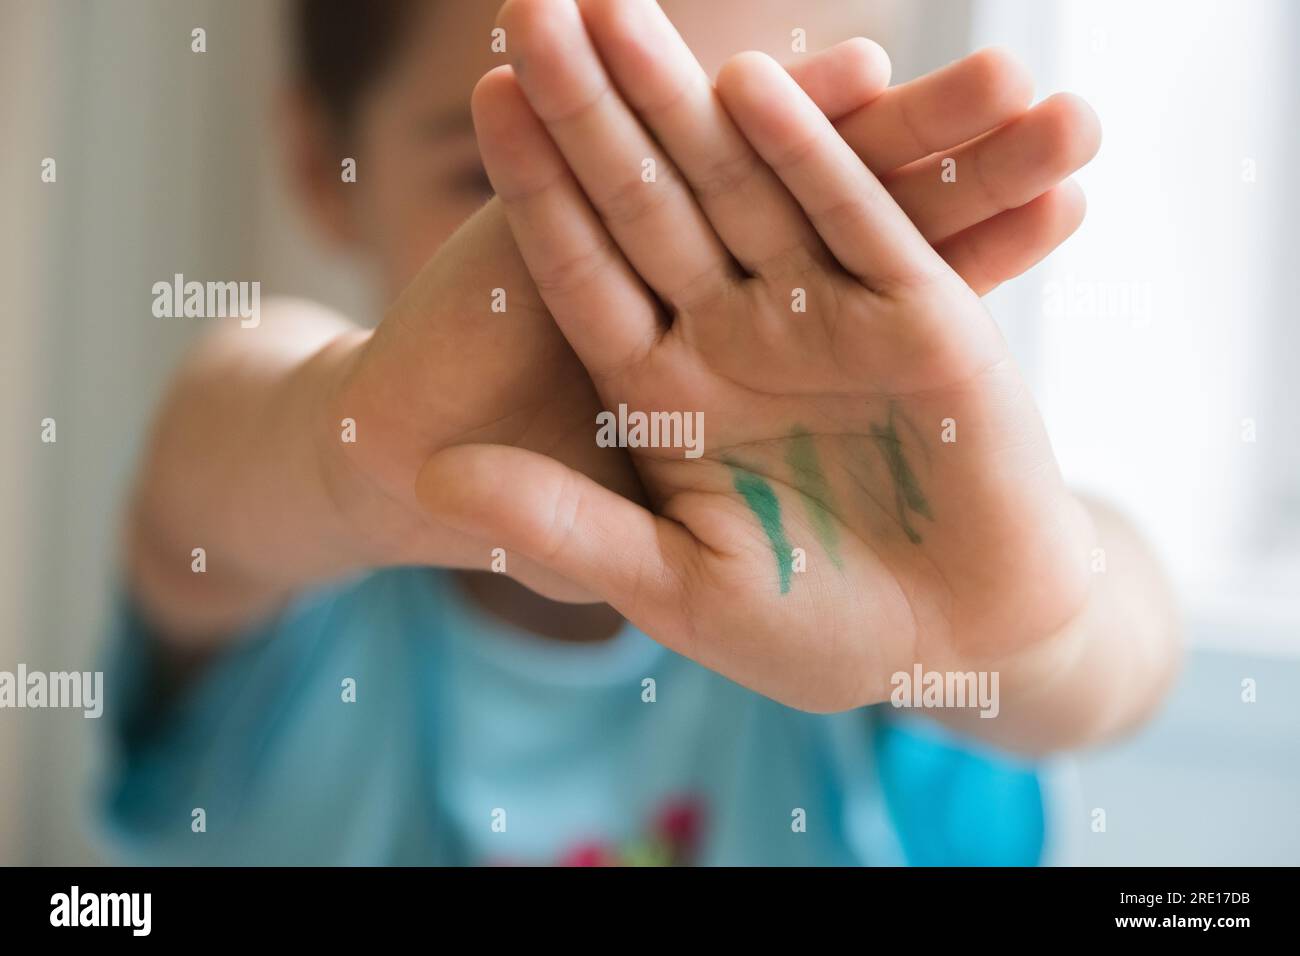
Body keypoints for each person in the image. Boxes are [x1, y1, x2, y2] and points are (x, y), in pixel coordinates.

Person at [102, 0, 1178, 865]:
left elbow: (1123, 620)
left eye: (758, 191)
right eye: (504, 178)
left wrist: (1036, 647)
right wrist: (351, 455)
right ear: (318, 162)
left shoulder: (880, 594)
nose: (637, 265)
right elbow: (213, 460)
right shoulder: (299, 597)